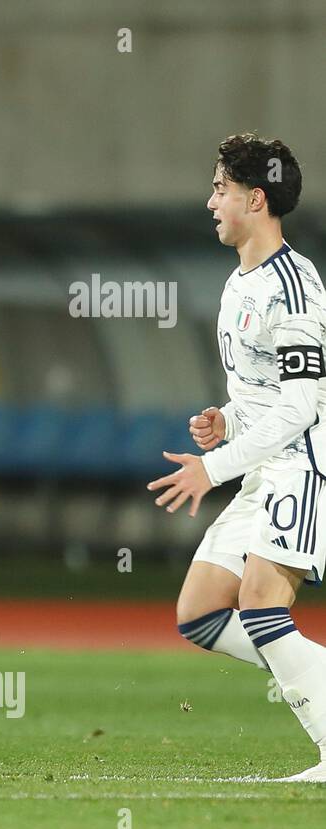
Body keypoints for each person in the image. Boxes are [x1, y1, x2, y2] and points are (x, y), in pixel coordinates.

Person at [149, 133, 326, 782]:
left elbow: (302, 408)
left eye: (220, 188)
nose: (210, 201)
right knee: (198, 614)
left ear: (256, 199)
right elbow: (264, 395)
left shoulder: (297, 286)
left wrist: (211, 467)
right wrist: (224, 422)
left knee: (260, 603)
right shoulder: (237, 284)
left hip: (303, 466)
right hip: (259, 467)